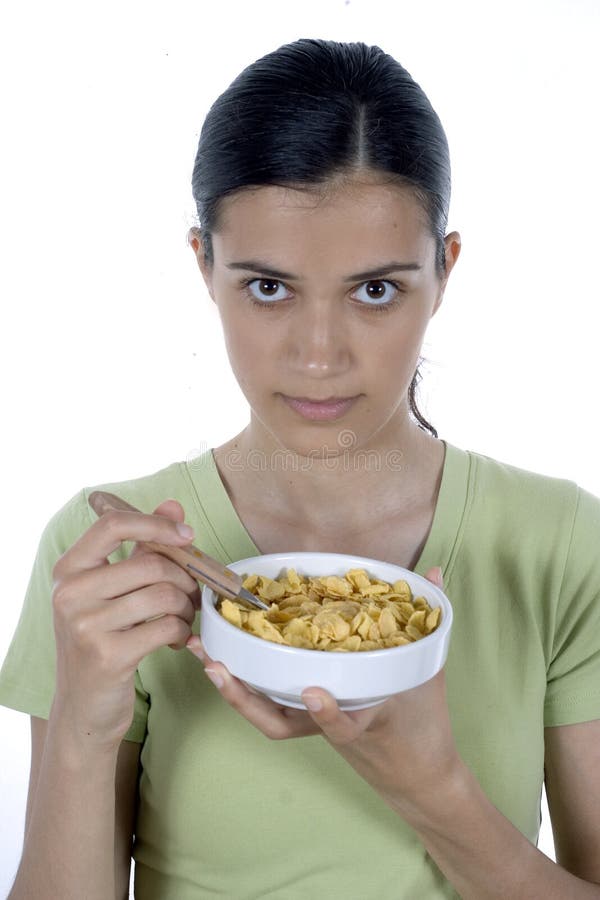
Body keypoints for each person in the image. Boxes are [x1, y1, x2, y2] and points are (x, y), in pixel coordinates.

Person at [1, 36, 599, 900]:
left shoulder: (560, 544)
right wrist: (84, 731)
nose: (319, 356)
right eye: (270, 288)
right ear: (205, 266)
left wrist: (430, 787)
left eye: (376, 290)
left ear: (445, 269)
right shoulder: (113, 556)